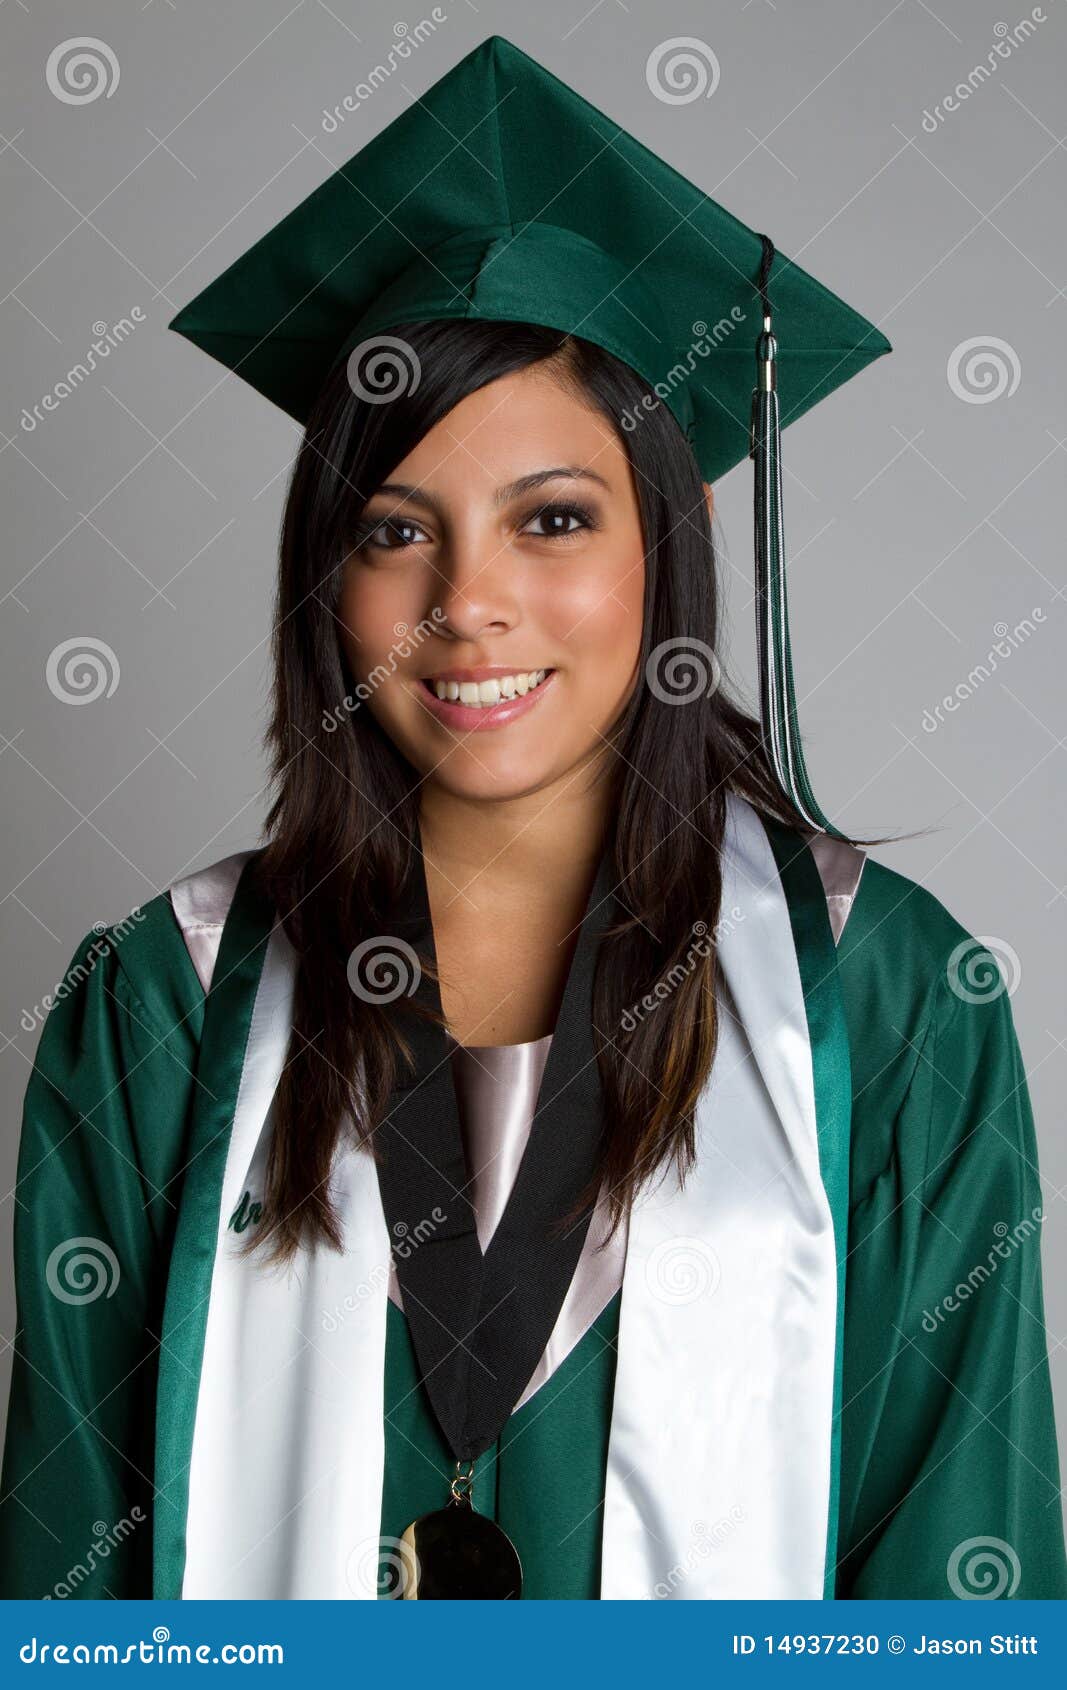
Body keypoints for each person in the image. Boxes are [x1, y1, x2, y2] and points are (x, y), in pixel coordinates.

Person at [1, 35, 1063, 1602]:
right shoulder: (164, 1000)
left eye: (552, 518)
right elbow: (65, 1596)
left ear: (677, 533)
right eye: (395, 530)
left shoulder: (889, 1003)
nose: (468, 604)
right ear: (328, 575)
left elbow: (957, 1579)